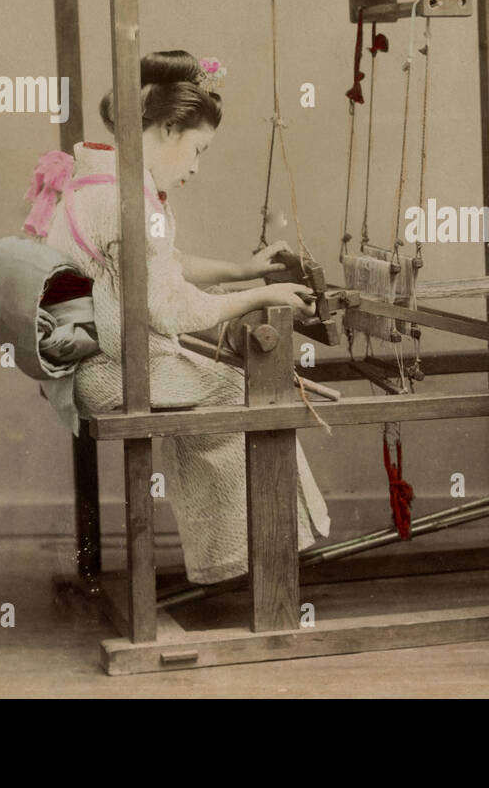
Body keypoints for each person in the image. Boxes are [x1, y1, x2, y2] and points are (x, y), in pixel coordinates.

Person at [23, 50, 329, 584]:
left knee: (221, 381)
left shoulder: (101, 181)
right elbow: (172, 307)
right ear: (167, 128)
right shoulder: (130, 203)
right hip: (111, 374)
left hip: (92, 366)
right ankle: (268, 558)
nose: (194, 167)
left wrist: (240, 269)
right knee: (249, 391)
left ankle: (233, 556)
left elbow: (165, 267)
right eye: (197, 149)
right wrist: (264, 295)